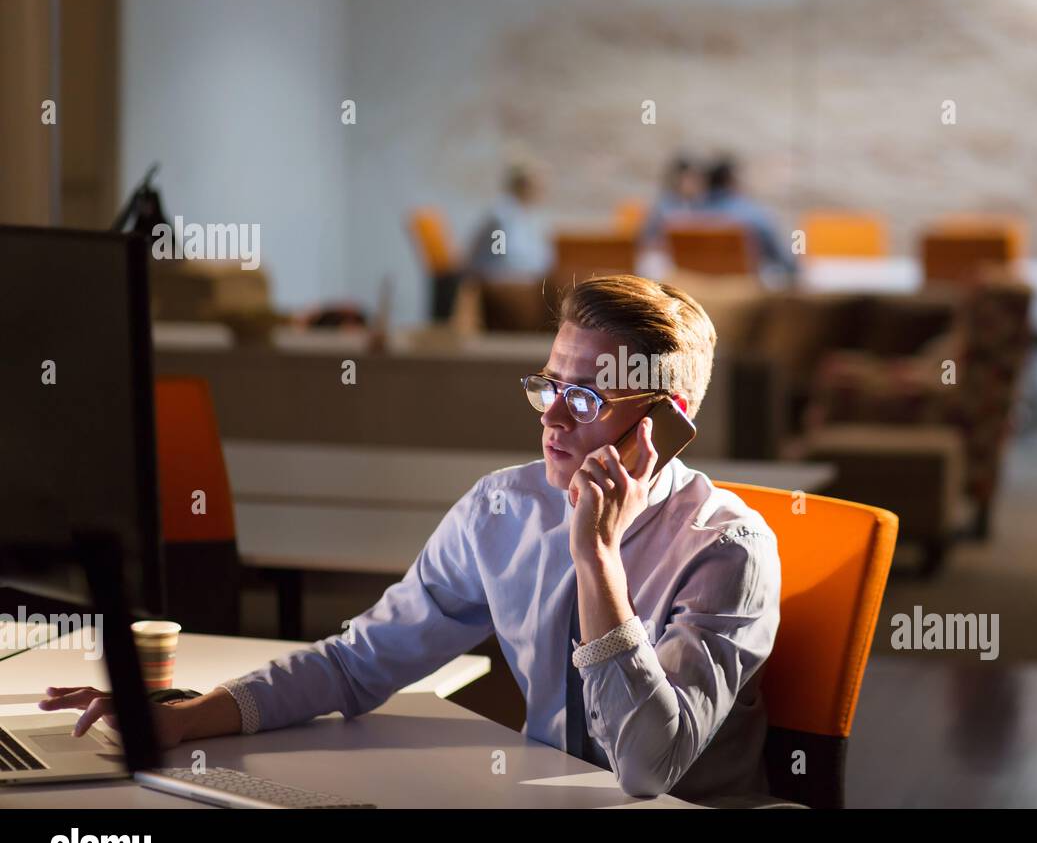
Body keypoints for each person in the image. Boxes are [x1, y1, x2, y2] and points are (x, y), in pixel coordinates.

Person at [40, 275, 783, 805]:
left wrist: (596, 559)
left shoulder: (727, 552)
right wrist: (191, 713)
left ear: (666, 422)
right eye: (547, 384)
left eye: (584, 397)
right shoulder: (505, 509)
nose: (552, 419)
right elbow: (361, 661)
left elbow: (648, 767)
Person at [700, 156, 797, 280]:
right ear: (731, 181)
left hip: (698, 291)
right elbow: (783, 257)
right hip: (745, 290)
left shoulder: (689, 216)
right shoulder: (752, 214)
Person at [464, 161, 554, 280]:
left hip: (520, 279)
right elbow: (504, 259)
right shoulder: (501, 216)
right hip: (495, 281)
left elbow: (543, 258)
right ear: (523, 186)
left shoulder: (528, 215)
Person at [639, 154, 706, 246]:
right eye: (691, 179)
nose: (696, 184)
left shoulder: (699, 204)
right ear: (679, 180)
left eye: (698, 180)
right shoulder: (664, 205)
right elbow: (648, 236)